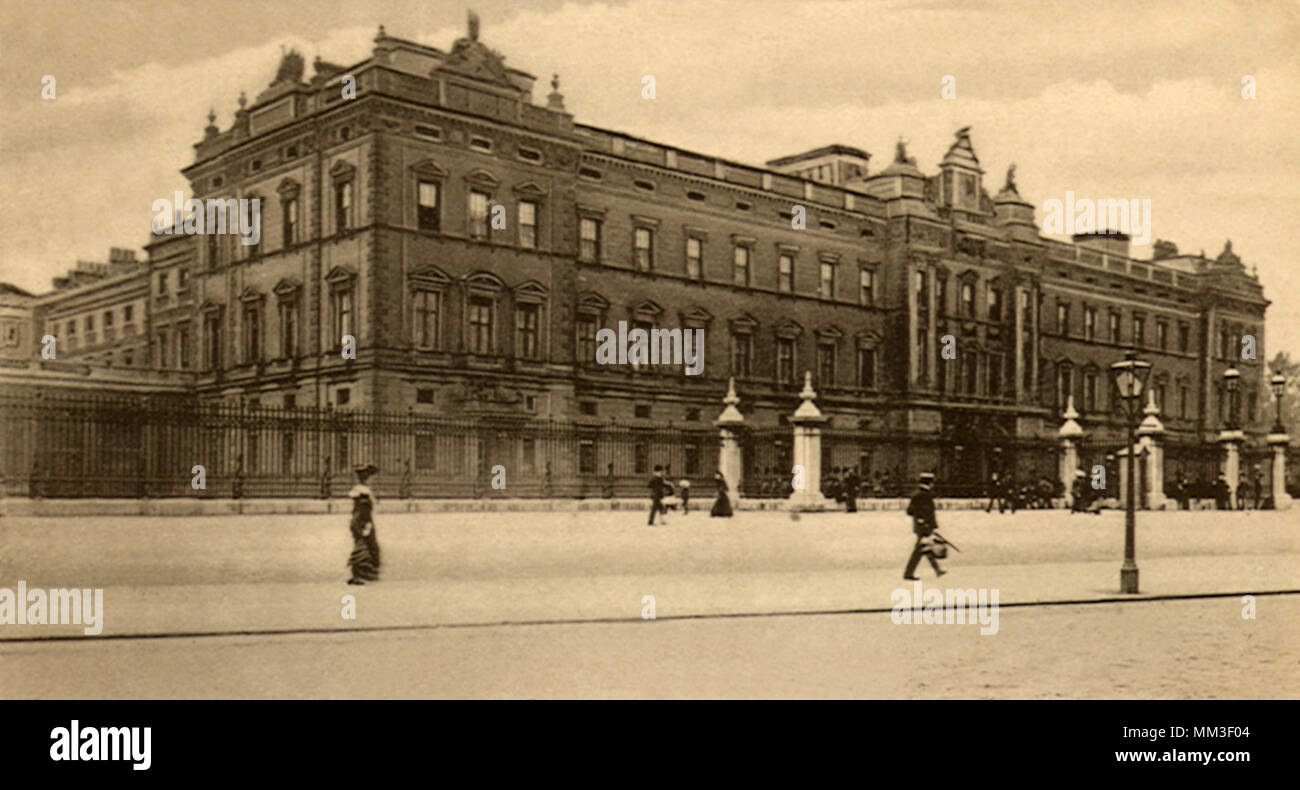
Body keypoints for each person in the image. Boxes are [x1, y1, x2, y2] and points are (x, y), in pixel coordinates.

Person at [904, 472, 946, 580]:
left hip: (922, 526)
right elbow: (916, 511)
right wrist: (924, 522)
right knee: (922, 549)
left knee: (924, 548)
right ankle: (909, 573)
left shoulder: (920, 494)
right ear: (929, 483)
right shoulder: (923, 495)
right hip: (923, 526)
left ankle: (937, 570)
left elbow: (911, 511)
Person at [346, 464, 382, 585]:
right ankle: (360, 576)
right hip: (363, 521)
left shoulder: (360, 490)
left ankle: (360, 574)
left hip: (359, 521)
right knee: (364, 547)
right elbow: (363, 511)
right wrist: (366, 526)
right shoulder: (363, 493)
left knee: (363, 546)